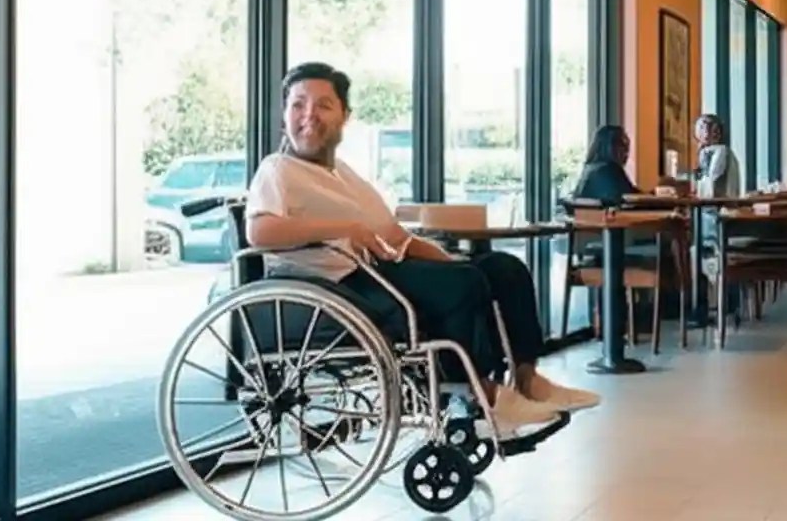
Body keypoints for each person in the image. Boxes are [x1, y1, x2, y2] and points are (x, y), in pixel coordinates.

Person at [245, 62, 599, 436]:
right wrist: (345, 228)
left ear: (345, 117)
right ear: (284, 115)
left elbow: (398, 238)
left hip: (374, 274)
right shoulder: (278, 169)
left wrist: (450, 259)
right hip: (337, 286)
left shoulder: (345, 175)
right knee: (459, 286)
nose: (309, 116)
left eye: (323, 105)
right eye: (298, 104)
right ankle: (481, 394)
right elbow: (260, 231)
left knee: (503, 269)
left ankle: (527, 379)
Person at [571, 125, 639, 205]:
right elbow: (633, 199)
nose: (626, 155)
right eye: (624, 148)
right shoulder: (611, 170)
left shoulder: (588, 171)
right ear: (612, 147)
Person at [694, 114, 742, 198]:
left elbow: (714, 178)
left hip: (721, 203)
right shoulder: (706, 152)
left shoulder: (721, 151)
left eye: (703, 128)